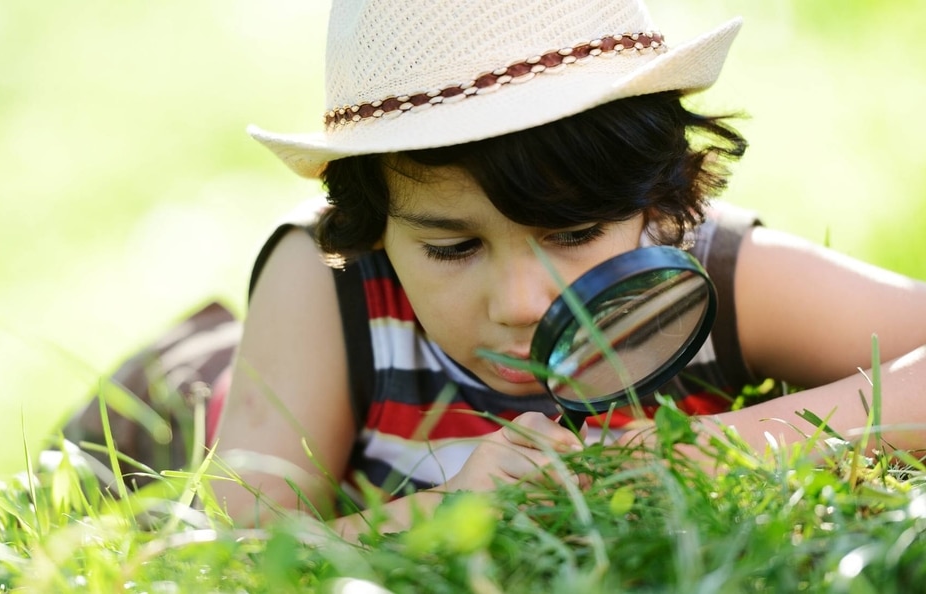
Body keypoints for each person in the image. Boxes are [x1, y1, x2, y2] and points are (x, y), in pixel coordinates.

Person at [99, 0, 926, 537]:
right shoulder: (325, 282)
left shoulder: (721, 272)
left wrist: (689, 455)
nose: (525, 301)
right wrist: (450, 510)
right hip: (193, 406)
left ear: (662, 196)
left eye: (573, 231)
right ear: (371, 225)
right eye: (452, 249)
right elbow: (234, 555)